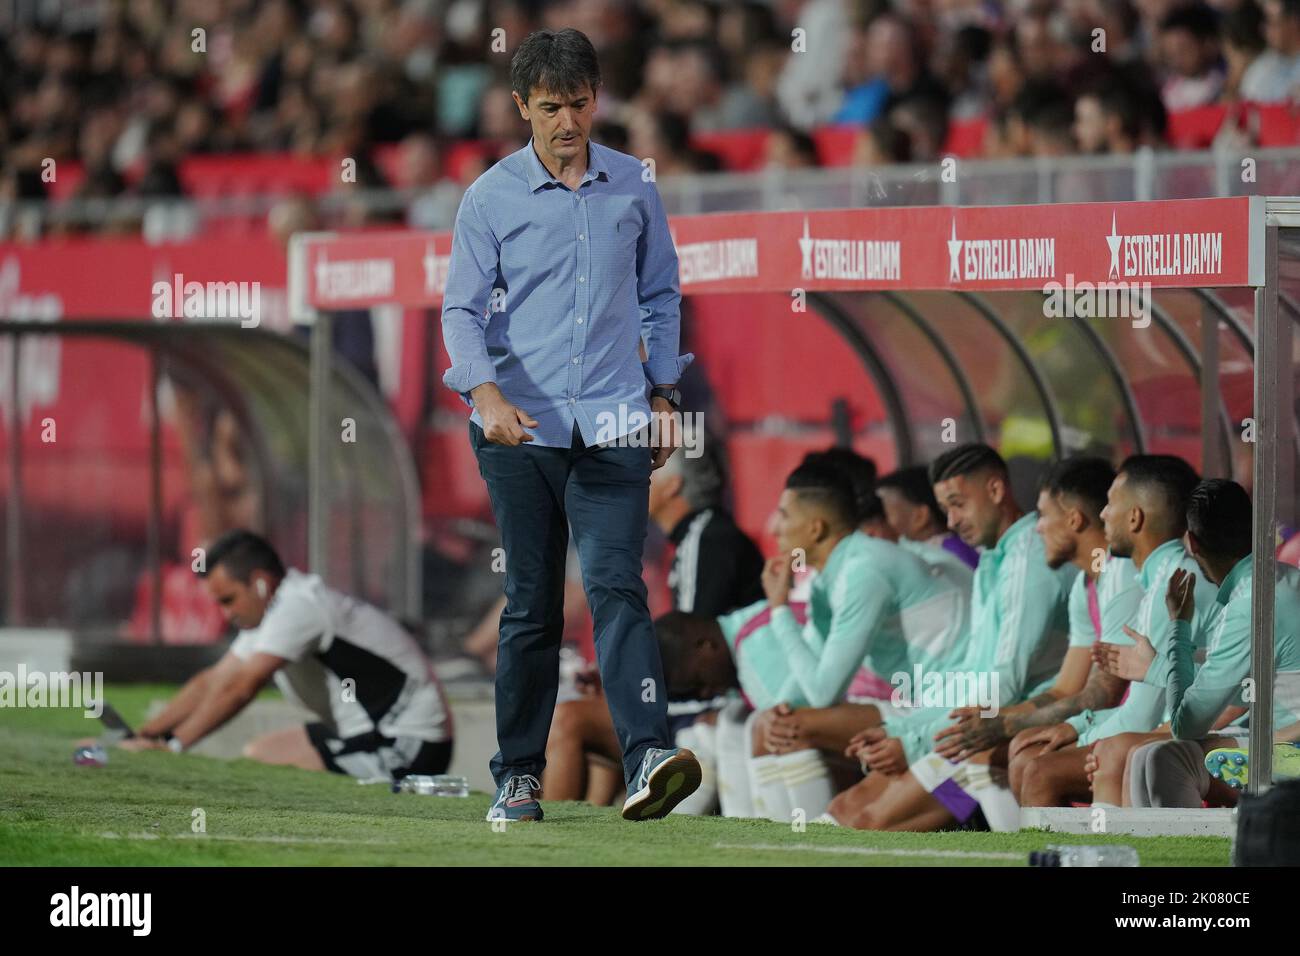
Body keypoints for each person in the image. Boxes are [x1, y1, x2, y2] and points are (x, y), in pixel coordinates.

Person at [439, 28, 700, 823]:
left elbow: (662, 297)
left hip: (618, 421)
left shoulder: (635, 188)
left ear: (597, 100)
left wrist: (663, 393)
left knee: (619, 585)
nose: (566, 121)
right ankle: (517, 774)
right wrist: (483, 394)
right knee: (531, 606)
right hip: (520, 429)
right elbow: (458, 310)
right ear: (521, 105)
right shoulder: (488, 197)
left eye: (579, 104)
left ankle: (649, 754)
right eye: (549, 107)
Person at [827, 444, 1078, 830]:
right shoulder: (995, 559)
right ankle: (969, 818)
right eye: (946, 508)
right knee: (850, 807)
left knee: (871, 823)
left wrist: (915, 741)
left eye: (959, 503)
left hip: (1005, 726)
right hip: (972, 731)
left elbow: (1004, 683)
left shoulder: (1028, 556)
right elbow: (972, 670)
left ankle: (977, 826)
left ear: (995, 491)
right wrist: (903, 729)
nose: (953, 519)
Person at [120, 531, 453, 782]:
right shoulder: (273, 611)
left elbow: (243, 687)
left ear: (261, 583)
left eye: (228, 600)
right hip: (368, 733)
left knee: (275, 776)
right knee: (260, 755)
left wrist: (174, 747)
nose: (225, 613)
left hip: (410, 741)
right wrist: (145, 736)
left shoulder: (299, 606)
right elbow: (213, 681)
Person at [543, 428, 763, 806]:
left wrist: (626, 681)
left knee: (569, 720)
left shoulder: (705, 540)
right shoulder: (703, 535)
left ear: (672, 485)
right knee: (607, 712)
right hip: (704, 699)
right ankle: (595, 830)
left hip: (710, 707)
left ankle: (544, 839)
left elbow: (690, 654)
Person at [1011, 455, 1217, 808]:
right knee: (1038, 753)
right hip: (1174, 731)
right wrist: (1078, 727)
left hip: (1208, 737)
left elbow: (1142, 712)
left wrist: (1084, 730)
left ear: (1135, 517)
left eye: (1110, 504)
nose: (1103, 514)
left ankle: (1087, 858)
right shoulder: (1155, 580)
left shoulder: (1172, 583)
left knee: (1041, 769)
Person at [1096, 479, 1300, 806]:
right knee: (1144, 756)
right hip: (1281, 739)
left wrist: (1180, 626)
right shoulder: (1279, 581)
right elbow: (1238, 677)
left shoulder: (1253, 602)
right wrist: (1159, 667)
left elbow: (1186, 725)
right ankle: (1145, 854)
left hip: (1290, 749)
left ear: (1192, 543)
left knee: (1166, 759)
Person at [875, 466, 980, 570]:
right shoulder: (958, 547)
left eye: (883, 517)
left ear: (920, 517)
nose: (874, 528)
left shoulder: (939, 558)